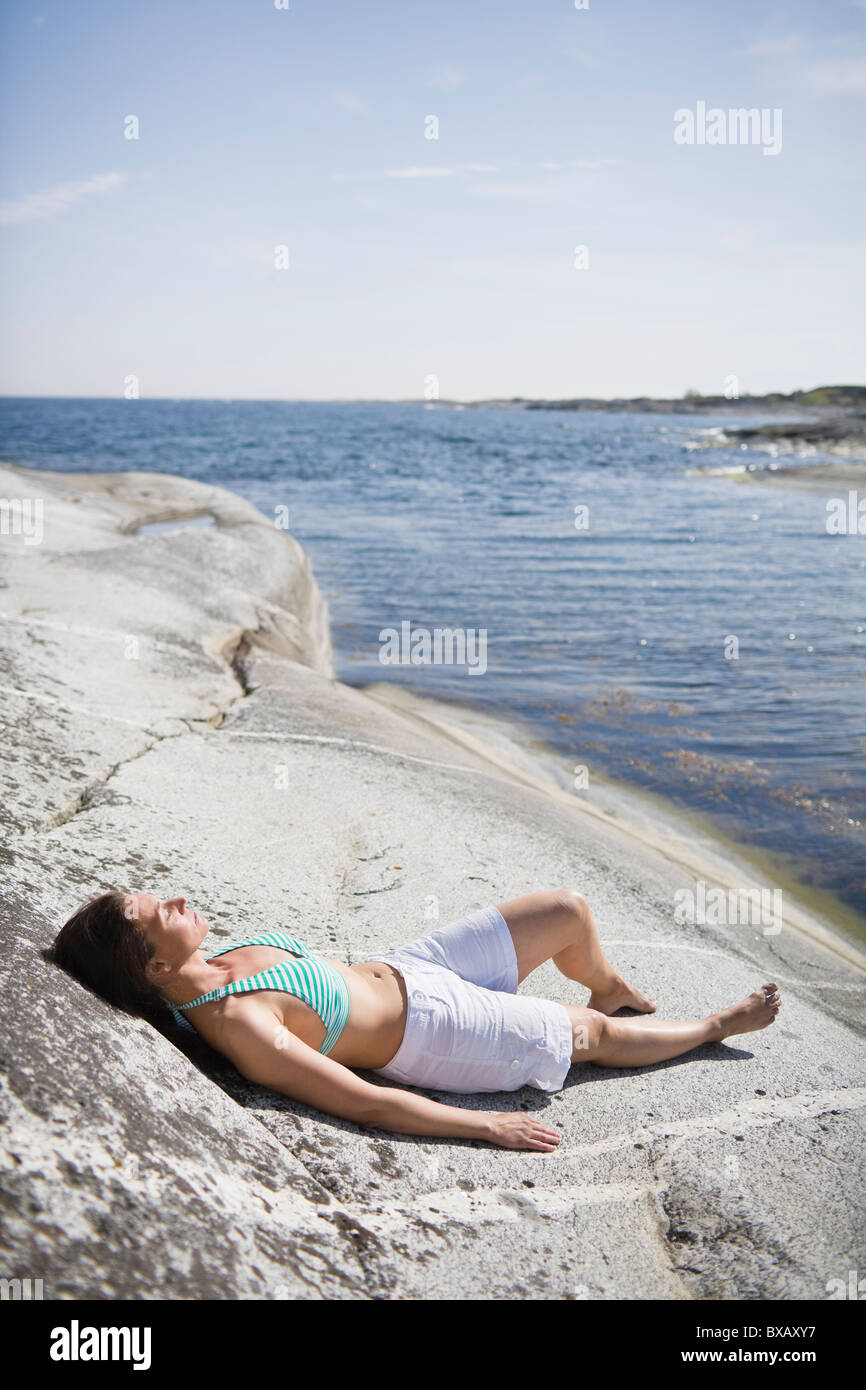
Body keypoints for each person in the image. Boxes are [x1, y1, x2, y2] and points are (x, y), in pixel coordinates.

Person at [49, 888, 781, 1152]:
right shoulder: (237, 1025)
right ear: (154, 969)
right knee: (595, 1039)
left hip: (414, 966)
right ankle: (714, 1027)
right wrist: (483, 1125)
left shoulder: (215, 962)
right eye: (158, 914)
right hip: (438, 1034)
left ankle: (609, 983)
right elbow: (361, 1100)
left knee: (566, 910)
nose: (175, 898)